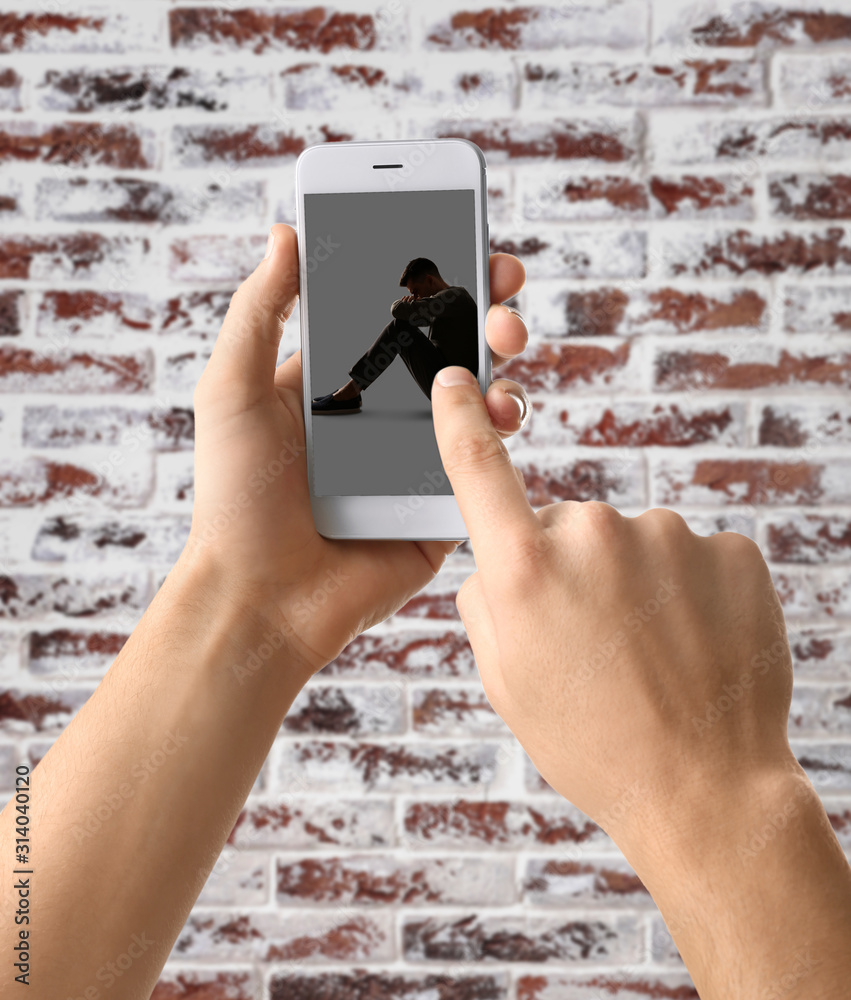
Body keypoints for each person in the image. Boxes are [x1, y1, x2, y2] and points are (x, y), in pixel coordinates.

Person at [1, 224, 849, 999]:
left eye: (413, 290)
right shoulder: (423, 313)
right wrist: (716, 794)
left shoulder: (442, 306)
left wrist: (713, 796)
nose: (409, 301)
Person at [311, 256, 478, 414]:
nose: (415, 298)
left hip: (454, 390)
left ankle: (351, 392)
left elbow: (399, 311)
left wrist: (401, 304)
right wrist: (410, 310)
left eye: (416, 292)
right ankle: (351, 390)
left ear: (429, 280)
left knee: (399, 328)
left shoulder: (454, 297)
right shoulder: (447, 304)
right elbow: (417, 318)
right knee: (403, 329)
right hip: (449, 383)